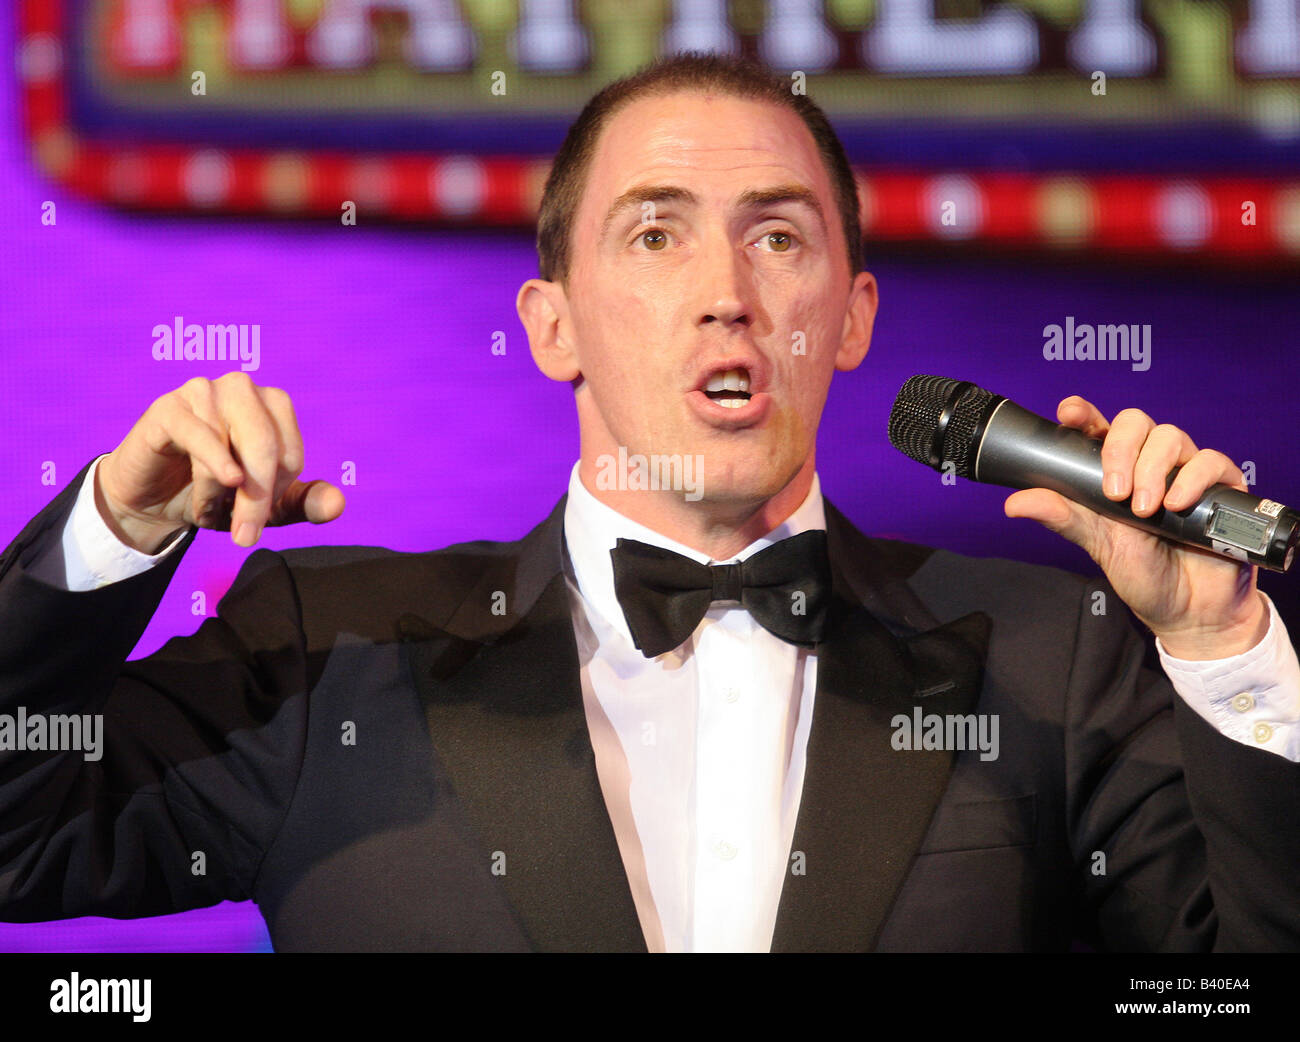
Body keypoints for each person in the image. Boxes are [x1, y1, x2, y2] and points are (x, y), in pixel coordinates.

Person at [1, 52, 1297, 953]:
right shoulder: (329, 648)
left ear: (852, 317)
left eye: (778, 235)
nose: (726, 290)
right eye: (656, 233)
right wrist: (115, 532)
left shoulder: (1048, 655)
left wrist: (1219, 645)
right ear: (551, 324)